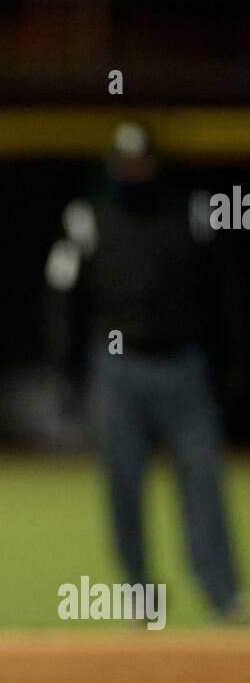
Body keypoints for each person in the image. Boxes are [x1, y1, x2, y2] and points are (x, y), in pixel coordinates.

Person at [44, 121, 247, 624]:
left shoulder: (193, 214)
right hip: (119, 369)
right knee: (124, 486)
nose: (133, 173)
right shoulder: (88, 217)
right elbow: (63, 299)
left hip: (184, 365)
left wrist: (231, 365)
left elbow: (226, 294)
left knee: (203, 483)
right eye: (125, 165)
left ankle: (224, 596)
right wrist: (67, 372)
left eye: (141, 163)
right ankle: (140, 598)